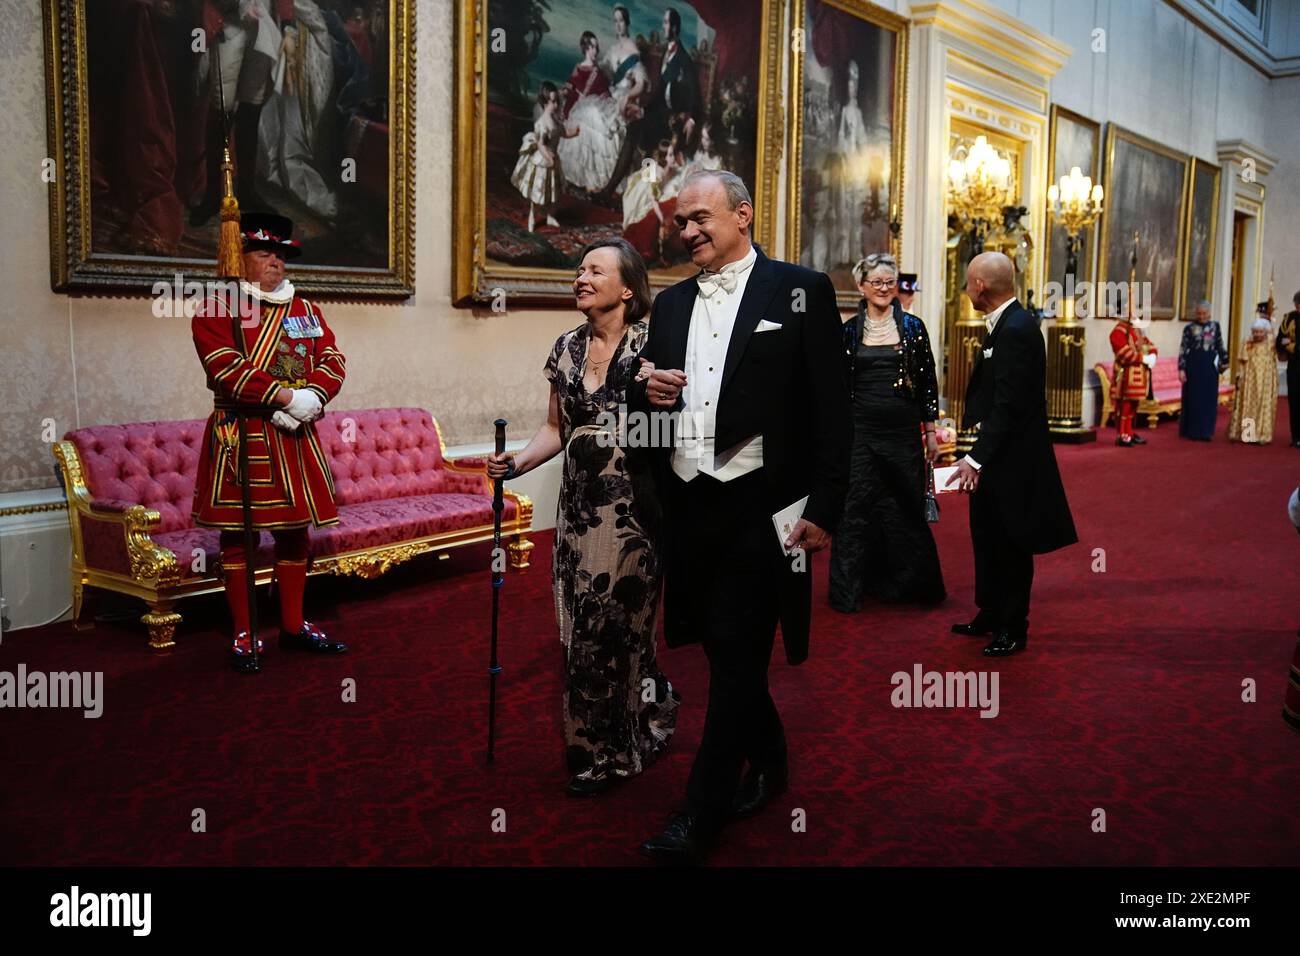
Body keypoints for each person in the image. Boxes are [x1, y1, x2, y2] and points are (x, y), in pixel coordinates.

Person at [630, 170, 850, 864]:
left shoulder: (802, 290)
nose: (688, 231)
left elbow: (832, 413)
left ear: (743, 215)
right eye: (681, 222)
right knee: (722, 650)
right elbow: (644, 426)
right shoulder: (667, 306)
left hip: (766, 508)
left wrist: (825, 508)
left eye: (701, 218)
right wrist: (650, 402)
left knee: (736, 656)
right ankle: (774, 757)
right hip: (691, 504)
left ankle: (702, 815)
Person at [487, 238, 679, 796]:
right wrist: (516, 464)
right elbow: (556, 427)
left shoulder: (652, 345)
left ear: (627, 287)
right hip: (576, 511)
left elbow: (674, 428)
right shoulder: (566, 348)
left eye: (596, 270)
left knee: (614, 628)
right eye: (579, 269)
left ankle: (608, 754)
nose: (581, 277)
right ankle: (649, 708)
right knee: (579, 628)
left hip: (633, 515)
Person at [191, 211, 349, 673]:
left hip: (295, 432)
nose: (276, 261)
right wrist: (283, 395)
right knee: (239, 538)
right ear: (238, 258)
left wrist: (312, 396)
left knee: (294, 532)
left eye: (281, 254)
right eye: (265, 253)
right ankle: (244, 633)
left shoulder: (306, 310)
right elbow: (225, 367)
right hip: (242, 434)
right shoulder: (217, 309)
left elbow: (333, 358)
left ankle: (295, 626)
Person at [945, 252, 1077, 657]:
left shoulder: (1017, 327)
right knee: (986, 536)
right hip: (995, 455)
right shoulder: (1007, 322)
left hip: (1014, 461)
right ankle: (990, 612)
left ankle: (1014, 627)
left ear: (980, 286)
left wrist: (974, 459)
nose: (966, 288)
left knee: (1012, 545)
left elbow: (1009, 405)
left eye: (968, 281)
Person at [829, 253, 945, 610]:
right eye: (876, 282)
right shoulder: (847, 332)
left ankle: (911, 587)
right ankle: (852, 589)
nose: (883, 289)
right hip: (860, 433)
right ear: (861, 287)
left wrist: (930, 433)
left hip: (901, 435)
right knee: (856, 507)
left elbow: (927, 383)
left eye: (889, 283)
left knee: (905, 505)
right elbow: (838, 387)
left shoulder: (913, 328)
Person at [557, 32, 623, 194]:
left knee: (595, 116)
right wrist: (564, 92)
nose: (596, 50)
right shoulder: (578, 68)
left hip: (596, 107)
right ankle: (581, 179)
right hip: (578, 109)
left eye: (596, 47)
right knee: (588, 116)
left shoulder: (598, 72)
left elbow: (605, 93)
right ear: (586, 48)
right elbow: (570, 86)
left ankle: (594, 182)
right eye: (593, 46)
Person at [511, 82, 579, 232]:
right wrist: (548, 157)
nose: (555, 105)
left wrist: (574, 132)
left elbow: (562, 133)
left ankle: (550, 215)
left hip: (553, 160)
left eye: (556, 102)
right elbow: (541, 144)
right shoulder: (542, 123)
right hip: (542, 161)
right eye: (552, 102)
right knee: (538, 193)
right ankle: (532, 217)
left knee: (552, 191)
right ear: (545, 102)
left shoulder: (556, 120)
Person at [1178, 300, 1228, 441]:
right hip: (1193, 364)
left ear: (1209, 313)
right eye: (1199, 313)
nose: (1201, 316)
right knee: (1194, 398)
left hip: (1209, 365)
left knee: (1208, 399)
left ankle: (1206, 431)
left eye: (1204, 313)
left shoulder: (1215, 326)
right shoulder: (1189, 328)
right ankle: (1192, 431)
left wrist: (1225, 361)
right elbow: (1183, 348)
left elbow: (1220, 344)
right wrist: (1181, 369)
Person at [1108, 305, 1157, 447]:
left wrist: (1153, 354)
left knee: (1134, 406)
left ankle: (1129, 432)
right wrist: (1143, 358)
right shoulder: (1117, 332)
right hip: (1125, 375)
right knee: (1124, 406)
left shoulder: (1135, 330)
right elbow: (1124, 354)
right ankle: (1122, 434)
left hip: (1139, 374)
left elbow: (1149, 344)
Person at [1229, 314, 1279, 444]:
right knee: (1248, 404)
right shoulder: (1247, 342)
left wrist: (1271, 325)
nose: (1257, 334)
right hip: (1250, 378)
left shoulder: (1270, 343)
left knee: (1263, 405)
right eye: (1255, 331)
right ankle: (1248, 434)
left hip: (1266, 379)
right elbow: (1241, 361)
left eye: (1260, 332)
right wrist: (1240, 375)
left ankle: (1262, 435)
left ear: (1265, 332)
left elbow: (1278, 341)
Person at [1277, 291, 1300, 447]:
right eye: (1297, 304)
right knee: (1295, 400)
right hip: (1295, 364)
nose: (1298, 307)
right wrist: (1293, 347)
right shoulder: (1289, 318)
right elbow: (1281, 340)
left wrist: (1291, 345)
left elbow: (1288, 342)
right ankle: (1296, 436)